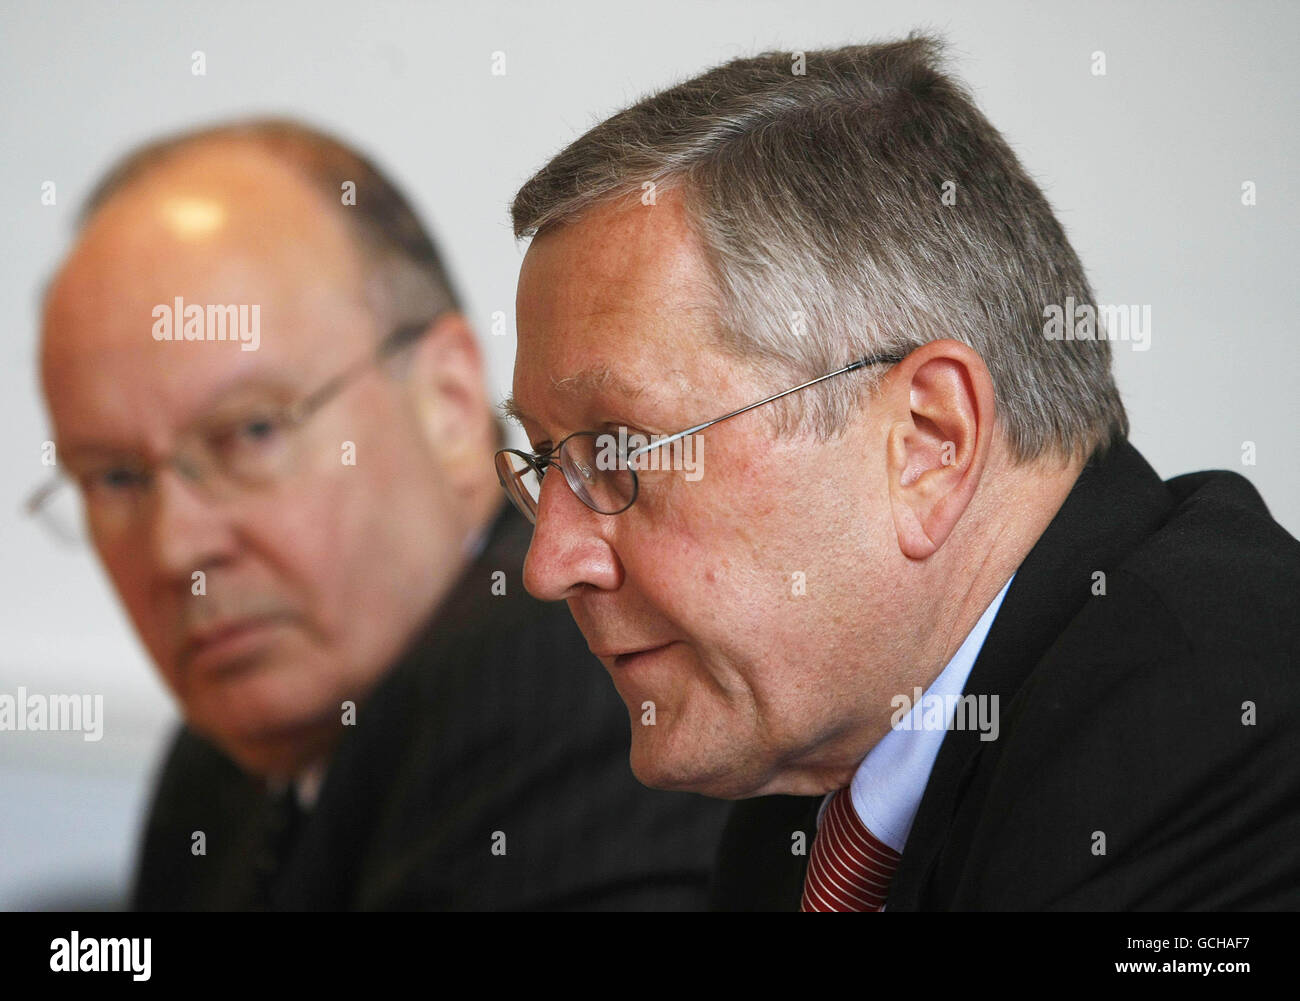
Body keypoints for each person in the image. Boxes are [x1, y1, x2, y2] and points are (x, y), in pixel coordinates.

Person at [494, 36, 1300, 910]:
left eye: (618, 451)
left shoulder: (1217, 727)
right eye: (545, 459)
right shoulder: (804, 791)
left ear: (928, 442)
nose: (548, 562)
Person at [33, 118, 729, 910]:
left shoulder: (573, 681)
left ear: (448, 403)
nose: (175, 548)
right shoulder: (219, 768)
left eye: (249, 433)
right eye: (115, 476)